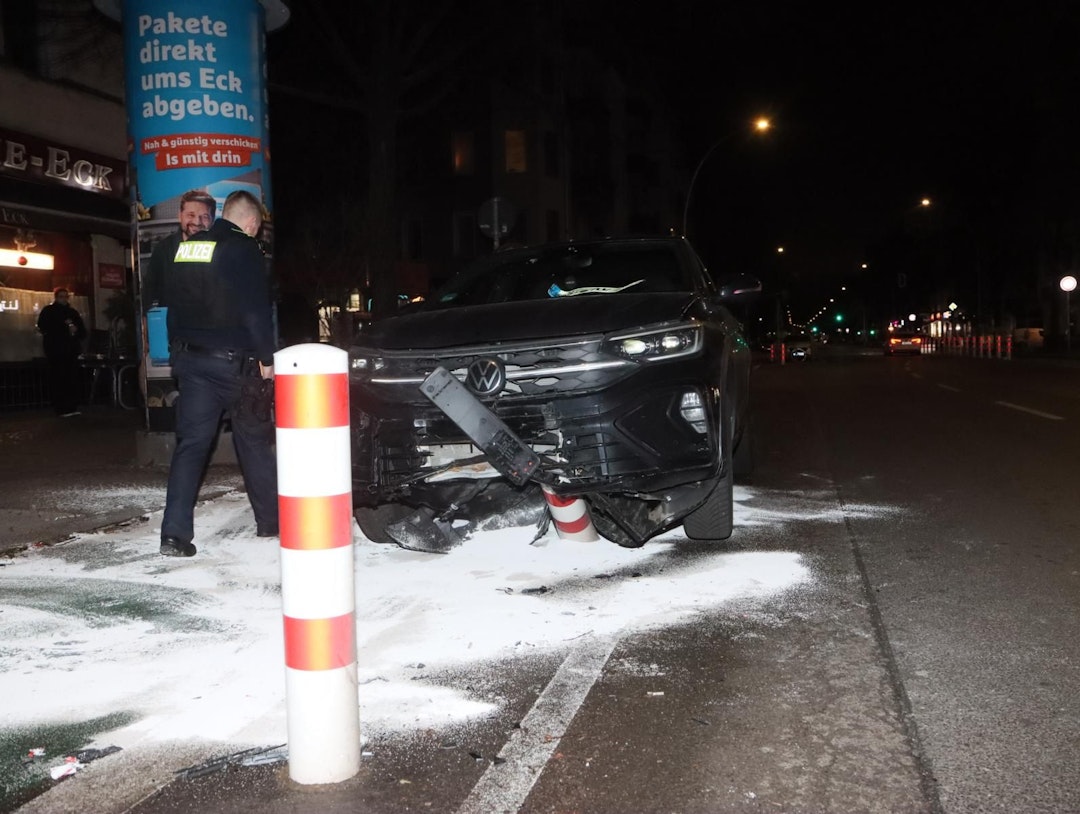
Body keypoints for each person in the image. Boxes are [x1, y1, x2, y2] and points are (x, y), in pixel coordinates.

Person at [158, 189, 278, 557]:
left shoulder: (188, 248)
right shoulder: (245, 249)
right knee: (254, 440)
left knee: (191, 446)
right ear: (252, 224)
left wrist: (178, 354)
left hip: (191, 363)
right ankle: (271, 522)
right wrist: (267, 358)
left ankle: (174, 535)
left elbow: (170, 307)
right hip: (234, 364)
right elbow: (256, 312)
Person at [143, 189, 216, 310]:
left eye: (204, 216)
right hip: (173, 326)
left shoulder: (220, 249)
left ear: (212, 220)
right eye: (190, 215)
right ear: (180, 216)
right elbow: (149, 293)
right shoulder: (163, 249)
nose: (197, 222)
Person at [36, 287, 87, 417]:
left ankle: (71, 406)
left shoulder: (72, 312)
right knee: (59, 378)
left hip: (70, 350)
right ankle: (61, 407)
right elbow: (43, 327)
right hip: (56, 350)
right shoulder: (49, 311)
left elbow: (82, 332)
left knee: (71, 378)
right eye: (61, 297)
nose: (64, 299)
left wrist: (75, 331)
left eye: (66, 296)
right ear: (56, 297)